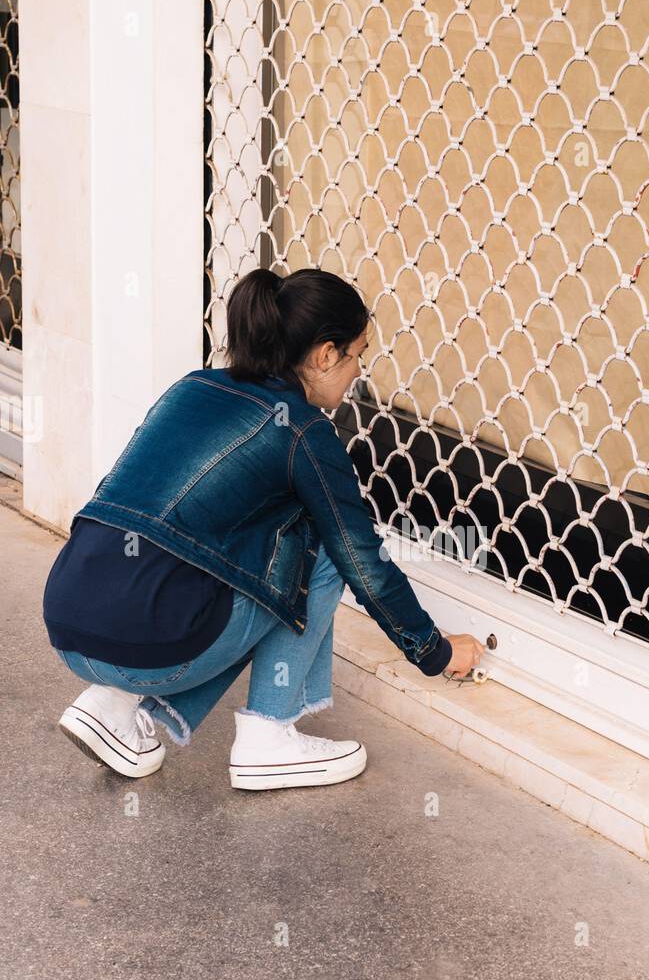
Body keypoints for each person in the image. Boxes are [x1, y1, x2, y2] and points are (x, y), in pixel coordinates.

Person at [42, 266, 485, 790]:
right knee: (322, 548)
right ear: (325, 354)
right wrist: (434, 651)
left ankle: (113, 705)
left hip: (68, 621)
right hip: (152, 649)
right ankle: (267, 739)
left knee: (218, 547)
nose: (359, 370)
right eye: (358, 353)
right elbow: (363, 562)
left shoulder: (193, 387)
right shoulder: (304, 432)